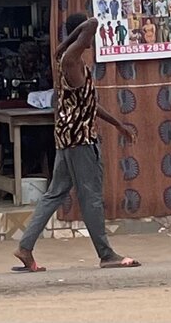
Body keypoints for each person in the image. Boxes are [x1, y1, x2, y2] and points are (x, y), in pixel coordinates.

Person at [13, 14, 140, 273]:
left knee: (54, 194)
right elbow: (92, 23)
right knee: (91, 197)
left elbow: (89, 104)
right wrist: (76, 34)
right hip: (80, 140)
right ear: (81, 36)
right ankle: (106, 254)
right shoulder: (70, 60)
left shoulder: (66, 59)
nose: (92, 40)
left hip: (65, 139)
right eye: (88, 38)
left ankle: (25, 247)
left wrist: (117, 124)